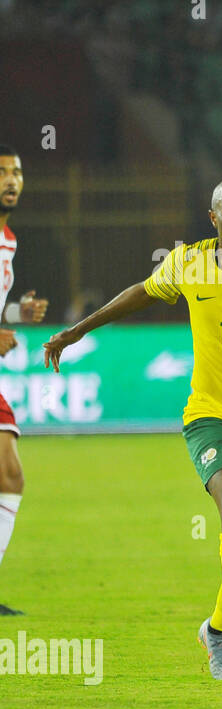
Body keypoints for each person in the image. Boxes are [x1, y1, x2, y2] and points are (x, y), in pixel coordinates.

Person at [43, 175, 222, 677]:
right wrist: (78, 329)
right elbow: (142, 292)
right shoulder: (187, 261)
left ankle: (216, 630)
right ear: (213, 216)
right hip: (209, 416)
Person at [0, 143, 49, 615]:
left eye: (17, 172)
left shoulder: (8, 240)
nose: (11, 180)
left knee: (9, 474)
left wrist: (15, 312)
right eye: (2, 173)